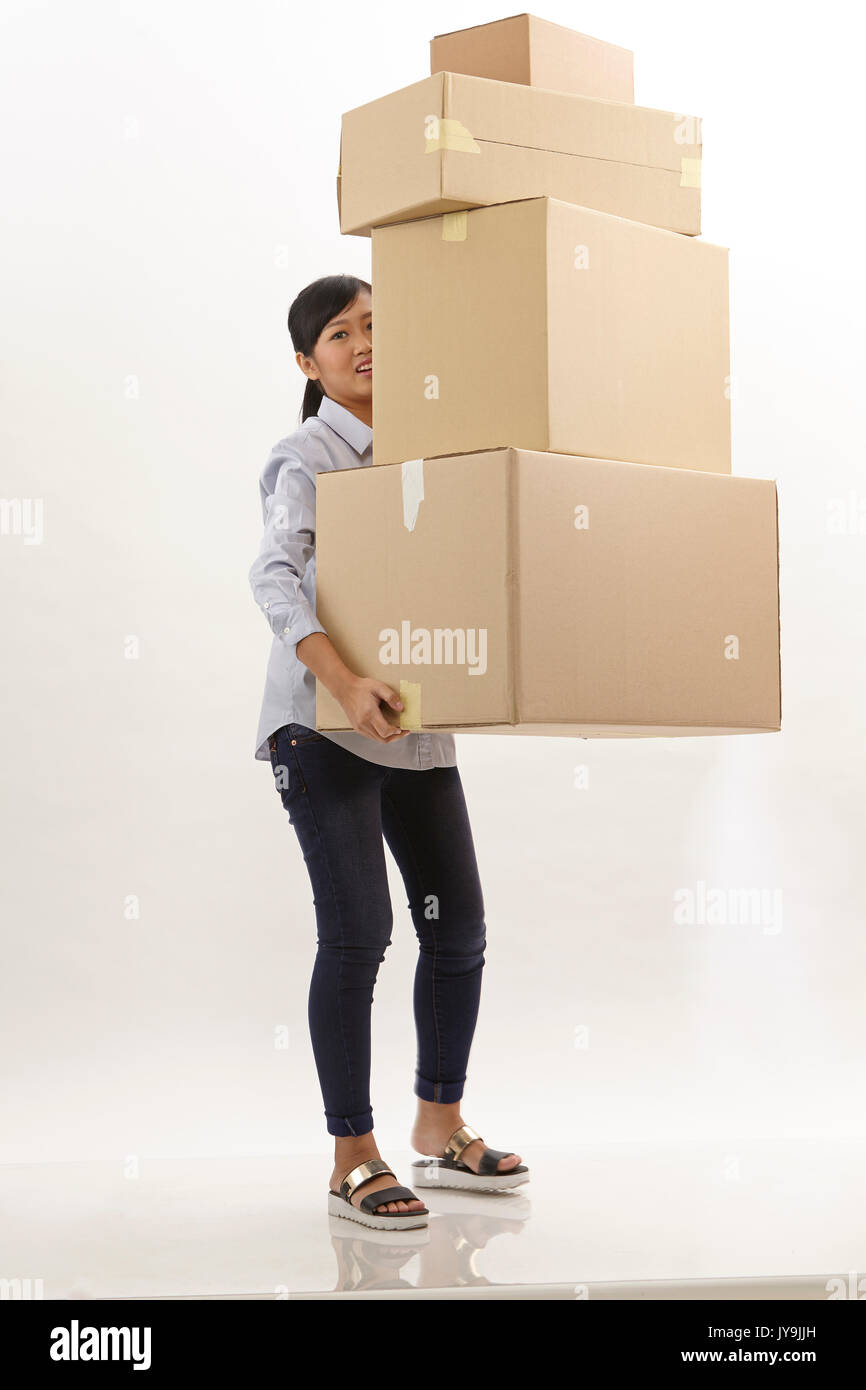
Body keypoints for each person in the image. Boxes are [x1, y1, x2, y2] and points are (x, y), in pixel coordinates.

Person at [249, 274, 529, 1230]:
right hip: (323, 725)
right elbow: (276, 576)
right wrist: (342, 682)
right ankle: (351, 1155)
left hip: (414, 726)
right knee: (359, 933)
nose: (364, 342)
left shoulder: (433, 451)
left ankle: (437, 1122)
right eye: (340, 332)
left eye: (377, 324)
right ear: (307, 362)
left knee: (458, 931)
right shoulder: (307, 452)